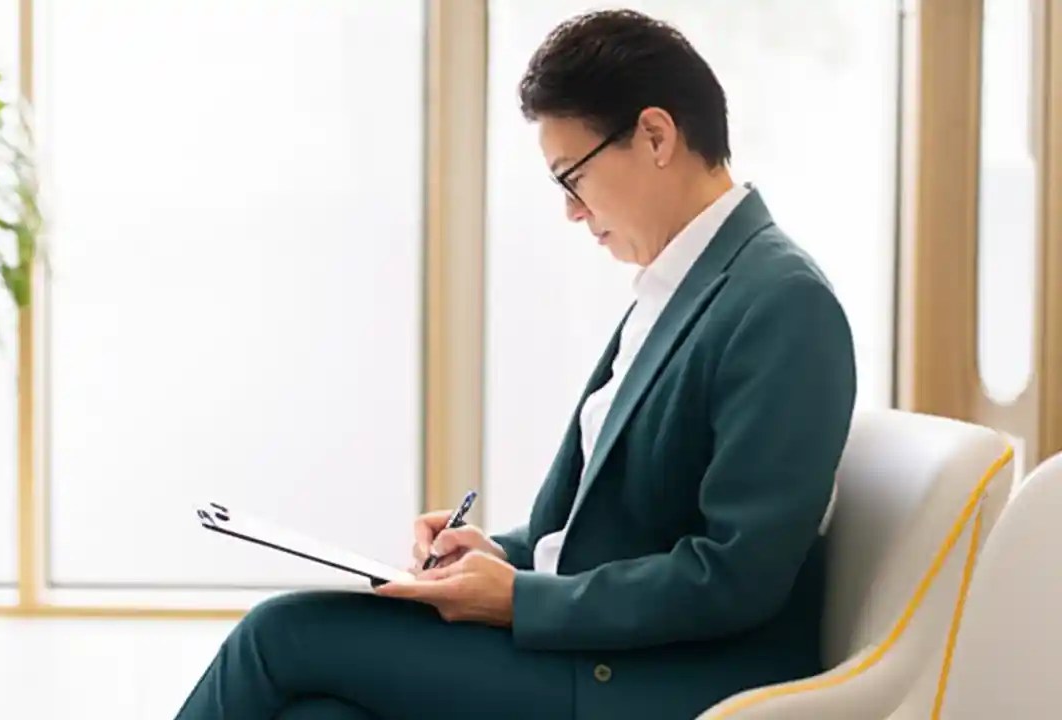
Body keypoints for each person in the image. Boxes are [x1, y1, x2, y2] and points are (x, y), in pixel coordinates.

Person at [174, 9, 855, 719]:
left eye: (573, 177)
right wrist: (495, 559)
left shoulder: (782, 303)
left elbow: (736, 576)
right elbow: (604, 530)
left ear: (656, 135)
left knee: (279, 635)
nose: (569, 211)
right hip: (608, 650)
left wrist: (518, 600)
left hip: (671, 678)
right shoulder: (679, 287)